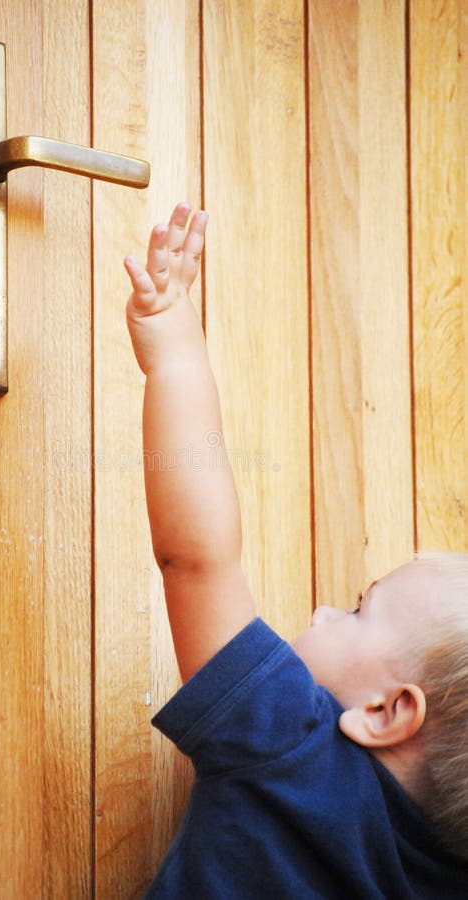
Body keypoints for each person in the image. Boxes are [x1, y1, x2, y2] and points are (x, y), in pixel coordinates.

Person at [123, 202, 468, 898]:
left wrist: (173, 348)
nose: (321, 609)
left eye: (355, 609)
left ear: (385, 713)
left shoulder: (289, 746)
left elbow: (196, 558)